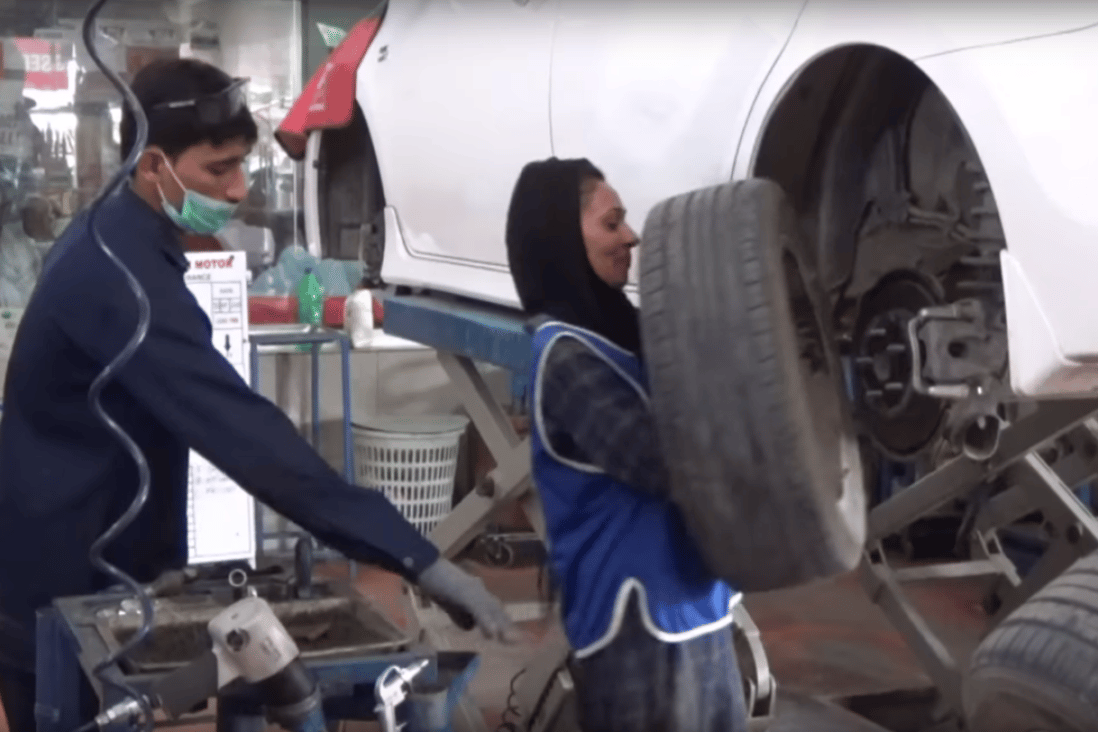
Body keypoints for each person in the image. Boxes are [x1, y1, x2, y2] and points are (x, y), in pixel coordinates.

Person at [0, 58, 515, 732]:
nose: (239, 188)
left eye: (243, 164)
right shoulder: (118, 281)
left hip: (78, 553)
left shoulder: (119, 238)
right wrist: (416, 557)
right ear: (153, 165)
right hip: (62, 575)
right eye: (219, 169)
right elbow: (247, 437)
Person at [505, 157, 749, 732]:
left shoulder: (623, 331)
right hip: (634, 619)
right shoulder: (563, 354)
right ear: (563, 238)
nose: (631, 236)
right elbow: (658, 461)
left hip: (693, 597)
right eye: (611, 224)